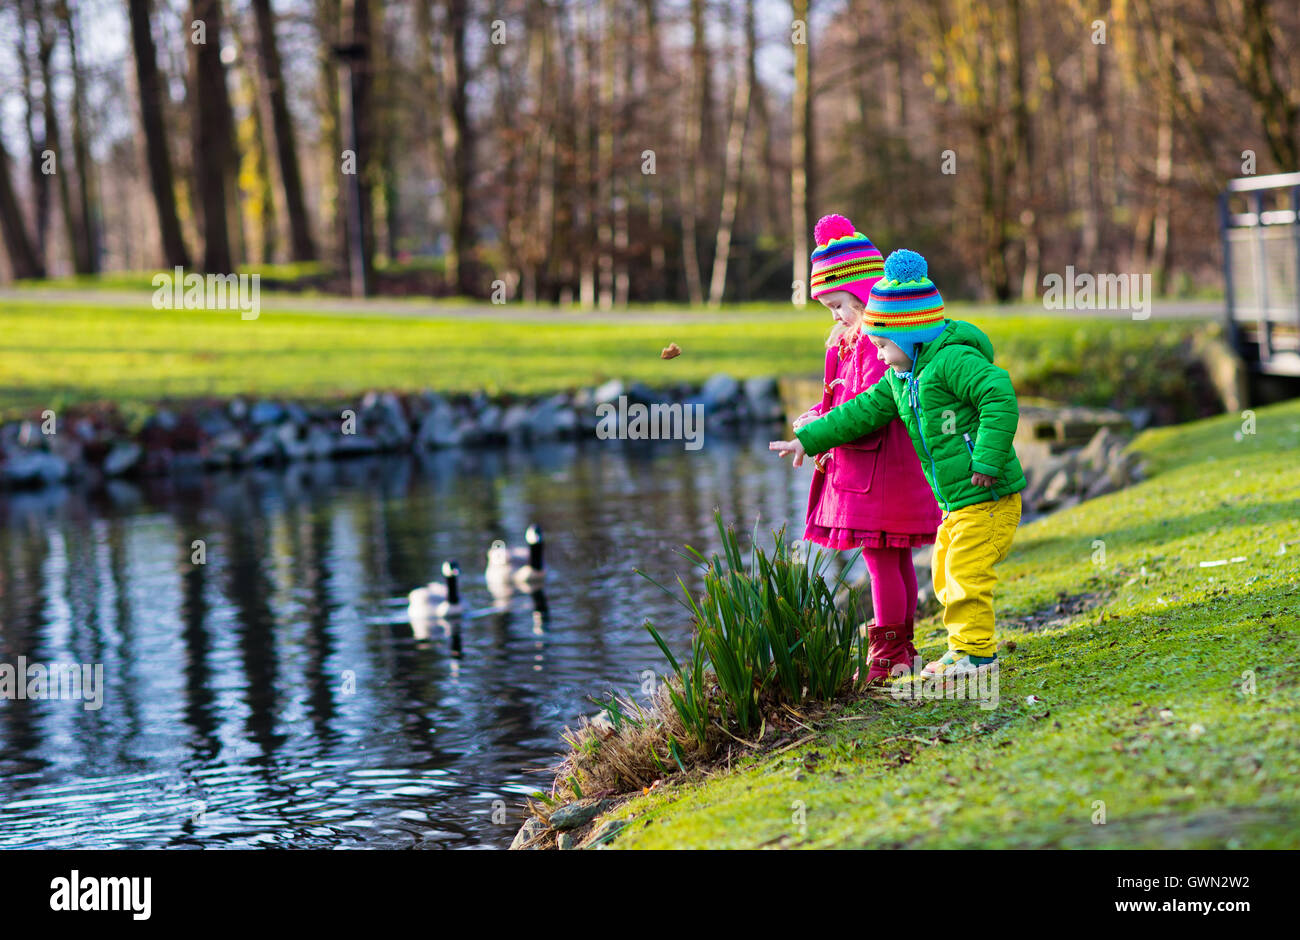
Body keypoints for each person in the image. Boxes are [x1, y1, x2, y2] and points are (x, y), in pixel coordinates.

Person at [771, 248, 1027, 677]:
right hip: (959, 501)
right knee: (945, 574)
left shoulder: (950, 361)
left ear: (909, 336)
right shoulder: (902, 376)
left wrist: (985, 459)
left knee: (964, 574)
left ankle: (977, 655)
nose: (880, 354)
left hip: (988, 493)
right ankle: (962, 649)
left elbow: (998, 394)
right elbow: (861, 411)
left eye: (885, 345)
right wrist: (808, 439)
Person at [794, 214, 941, 683]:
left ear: (863, 291)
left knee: (883, 561)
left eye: (838, 304)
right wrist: (817, 417)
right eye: (828, 307)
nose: (835, 315)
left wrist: (818, 430)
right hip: (879, 470)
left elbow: (867, 411)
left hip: (877, 474)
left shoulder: (878, 346)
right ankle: (903, 648)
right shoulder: (853, 342)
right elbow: (840, 401)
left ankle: (890, 654)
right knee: (894, 558)